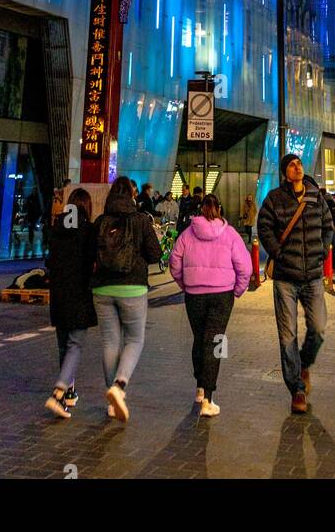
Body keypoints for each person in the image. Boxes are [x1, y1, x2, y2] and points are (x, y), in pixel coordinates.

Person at [257, 153, 333, 414]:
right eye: (291, 165)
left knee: (319, 328)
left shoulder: (315, 197)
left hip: (312, 275)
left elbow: (328, 225)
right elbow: (263, 226)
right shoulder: (275, 199)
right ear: (284, 173)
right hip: (286, 279)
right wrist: (277, 252)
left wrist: (323, 250)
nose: (297, 167)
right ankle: (296, 389)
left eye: (299, 163)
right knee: (287, 335)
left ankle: (304, 363)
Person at [169, 192, 252, 416]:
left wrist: (184, 283)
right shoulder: (231, 234)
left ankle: (199, 387)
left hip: (194, 294)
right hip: (222, 295)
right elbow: (245, 267)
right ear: (220, 209)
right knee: (216, 341)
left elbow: (174, 261)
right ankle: (209, 397)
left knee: (199, 338)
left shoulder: (187, 234)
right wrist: (238, 290)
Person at [91, 175, 161, 421]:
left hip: (101, 289)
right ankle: (119, 386)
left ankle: (111, 402)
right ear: (132, 195)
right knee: (134, 339)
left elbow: (90, 254)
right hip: (132, 287)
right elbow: (155, 255)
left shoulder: (100, 221)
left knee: (110, 343)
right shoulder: (141, 220)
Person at [45, 187, 97, 418]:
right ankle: (58, 392)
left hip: (58, 293)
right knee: (75, 344)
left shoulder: (57, 227)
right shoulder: (88, 230)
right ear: (87, 207)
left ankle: (69, 392)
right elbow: (92, 262)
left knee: (63, 345)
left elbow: (50, 260)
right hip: (78, 293)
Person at [321, 189, 335, 276]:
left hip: (328, 229)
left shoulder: (323, 201)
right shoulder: (334, 201)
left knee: (326, 248)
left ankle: (328, 270)